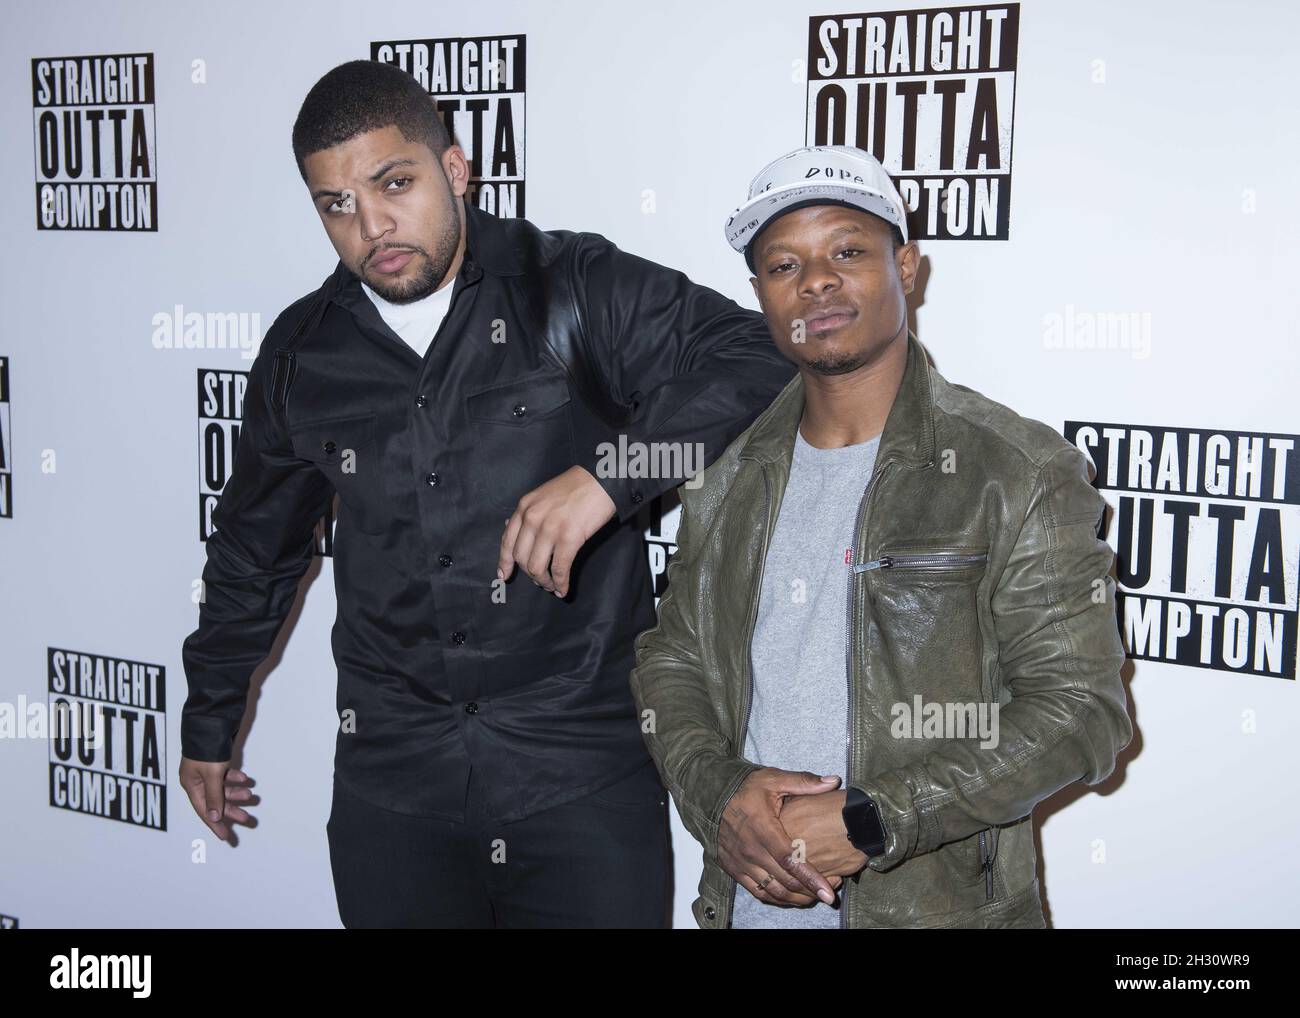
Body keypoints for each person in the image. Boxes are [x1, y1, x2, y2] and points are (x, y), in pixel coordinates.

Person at [177, 59, 796, 928]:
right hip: (392, 788)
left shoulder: (571, 285)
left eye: (395, 183)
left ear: (456, 170)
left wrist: (609, 478)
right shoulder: (302, 354)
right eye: (336, 204)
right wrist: (209, 721)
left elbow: (762, 354)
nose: (373, 226)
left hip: (580, 779)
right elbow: (252, 553)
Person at [630, 144, 1134, 928]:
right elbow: (673, 660)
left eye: (848, 251)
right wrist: (717, 791)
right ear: (761, 293)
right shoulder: (727, 476)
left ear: (906, 268)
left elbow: (1081, 713)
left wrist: (875, 818)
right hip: (748, 908)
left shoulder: (1014, 473)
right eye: (783, 264)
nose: (817, 281)